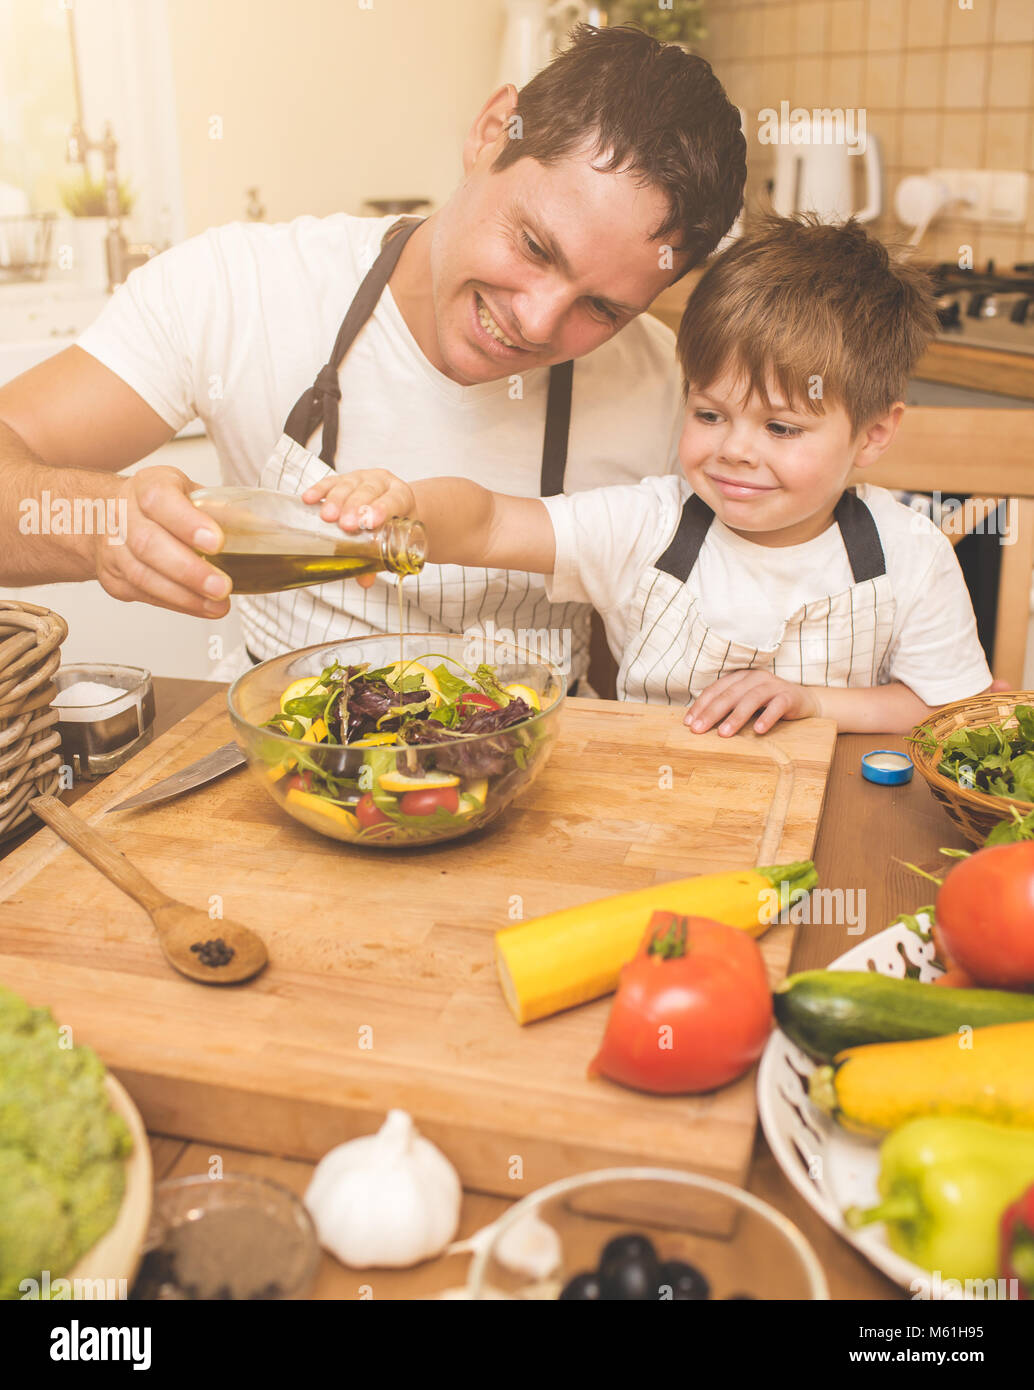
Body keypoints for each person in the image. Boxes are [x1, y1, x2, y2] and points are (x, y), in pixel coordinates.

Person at [0, 25, 745, 693]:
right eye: (534, 247)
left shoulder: (672, 399)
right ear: (491, 132)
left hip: (530, 781)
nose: (534, 321)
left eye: (602, 309)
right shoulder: (236, 288)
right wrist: (101, 523)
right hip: (288, 769)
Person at [299, 214, 996, 736]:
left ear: (873, 434)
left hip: (828, 819)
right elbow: (486, 524)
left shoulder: (909, 553)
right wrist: (408, 502)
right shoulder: (648, 524)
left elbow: (948, 707)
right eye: (710, 413)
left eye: (780, 428)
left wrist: (813, 703)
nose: (736, 451)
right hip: (648, 813)